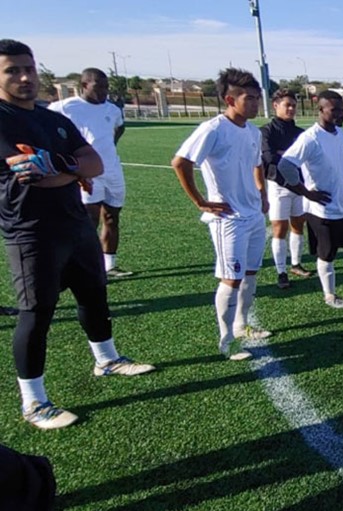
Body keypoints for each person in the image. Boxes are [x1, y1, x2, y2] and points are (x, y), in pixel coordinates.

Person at [1, 39, 154, 430]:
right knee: (37, 313)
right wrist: (72, 168)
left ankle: (107, 360)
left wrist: (62, 165)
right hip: (30, 230)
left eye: (29, 69)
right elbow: (30, 173)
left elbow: (95, 162)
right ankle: (34, 403)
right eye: (12, 71)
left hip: (73, 223)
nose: (24, 77)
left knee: (94, 293)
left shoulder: (51, 117)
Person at [173, 67, 272, 362]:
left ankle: (241, 326)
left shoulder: (253, 131)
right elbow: (180, 162)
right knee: (231, 279)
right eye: (249, 98)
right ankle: (226, 341)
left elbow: (257, 164)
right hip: (228, 219)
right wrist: (200, 201)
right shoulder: (213, 129)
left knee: (250, 274)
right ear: (230, 99)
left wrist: (262, 193)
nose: (255, 104)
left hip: (253, 214)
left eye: (257, 98)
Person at [278, 91, 343, 309]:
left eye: (342, 109)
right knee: (326, 255)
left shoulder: (341, 134)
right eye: (334, 110)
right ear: (321, 110)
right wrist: (305, 192)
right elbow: (285, 165)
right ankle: (330, 296)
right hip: (322, 210)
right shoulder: (310, 138)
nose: (340, 114)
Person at [48, 68, 131, 278]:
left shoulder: (112, 110)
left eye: (106, 87)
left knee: (112, 217)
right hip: (86, 172)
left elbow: (119, 128)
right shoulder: (65, 107)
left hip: (112, 170)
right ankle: (83, 265)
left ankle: (109, 265)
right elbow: (45, 125)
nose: (104, 91)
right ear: (84, 85)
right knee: (89, 219)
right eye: (98, 86)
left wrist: (110, 147)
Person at [260, 88, 311, 289]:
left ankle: (296, 264)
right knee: (279, 229)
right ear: (275, 106)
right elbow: (269, 158)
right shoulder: (266, 131)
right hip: (277, 186)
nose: (291, 109)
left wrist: (284, 155)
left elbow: (304, 158)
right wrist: (289, 157)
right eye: (286, 105)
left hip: (299, 186)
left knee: (298, 225)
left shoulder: (300, 133)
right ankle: (281, 271)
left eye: (293, 105)